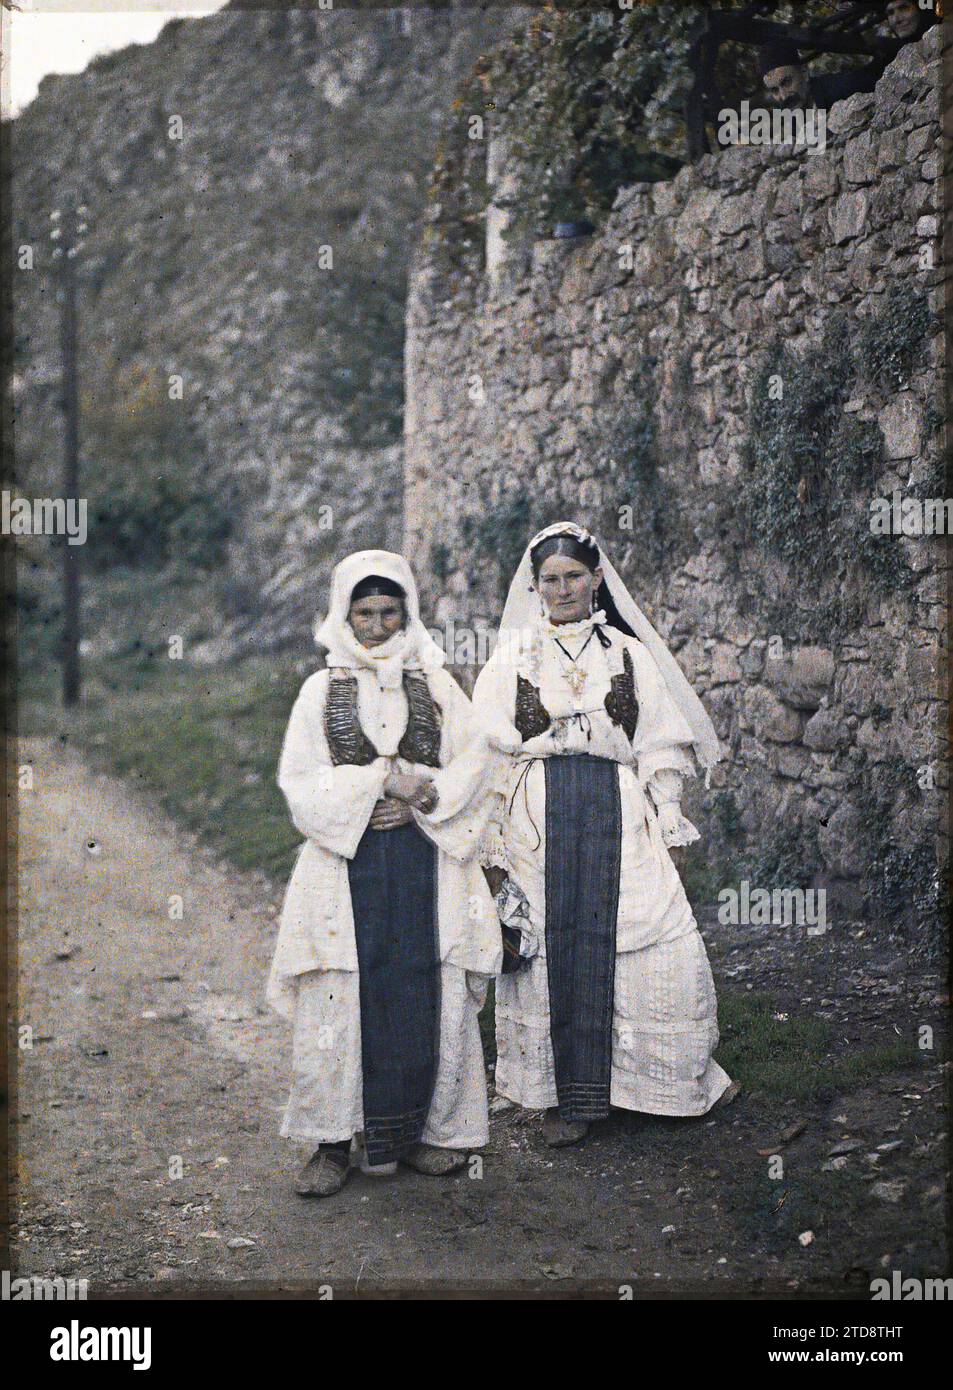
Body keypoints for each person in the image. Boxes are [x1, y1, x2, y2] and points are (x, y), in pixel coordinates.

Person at [472, 523, 735, 1148]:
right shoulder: (513, 657)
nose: (563, 590)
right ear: (536, 588)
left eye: (574, 577)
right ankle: (569, 1096)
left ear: (596, 579)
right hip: (539, 814)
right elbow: (486, 752)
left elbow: (660, 742)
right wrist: (492, 843)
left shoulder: (625, 652)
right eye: (551, 580)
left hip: (617, 809)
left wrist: (667, 814)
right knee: (553, 945)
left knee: (647, 935)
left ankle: (653, 1088)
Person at [267, 550, 502, 1196]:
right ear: (345, 614)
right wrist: (375, 787)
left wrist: (423, 797)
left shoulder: (433, 681)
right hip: (346, 868)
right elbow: (300, 781)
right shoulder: (320, 689)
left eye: (388, 612)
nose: (376, 624)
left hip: (427, 860)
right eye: (364, 613)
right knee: (341, 994)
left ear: (407, 612)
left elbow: (476, 758)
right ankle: (332, 1142)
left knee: (430, 985)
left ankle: (427, 1133)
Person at [757, 38, 882, 110]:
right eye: (774, 90)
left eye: (786, 82)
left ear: (804, 73)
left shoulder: (846, 87)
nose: (783, 96)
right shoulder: (794, 119)